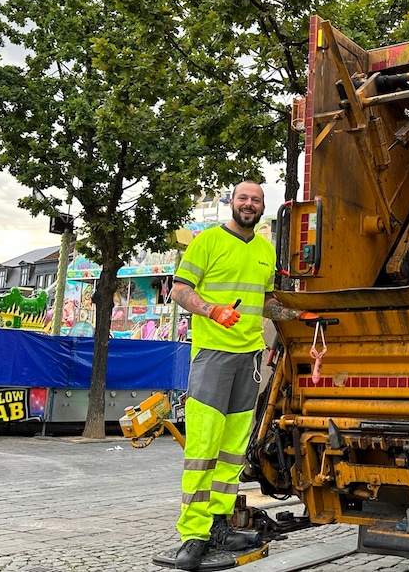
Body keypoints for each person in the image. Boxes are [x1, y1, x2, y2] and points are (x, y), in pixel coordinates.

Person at [167, 180, 321, 570]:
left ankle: (219, 524)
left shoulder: (265, 251)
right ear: (232, 203)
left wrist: (297, 315)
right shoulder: (207, 242)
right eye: (243, 198)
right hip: (213, 356)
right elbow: (180, 290)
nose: (249, 204)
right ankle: (193, 534)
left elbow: (266, 302)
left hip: (249, 359)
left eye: (256, 200)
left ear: (261, 207)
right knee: (203, 447)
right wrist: (212, 310)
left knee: (233, 449)